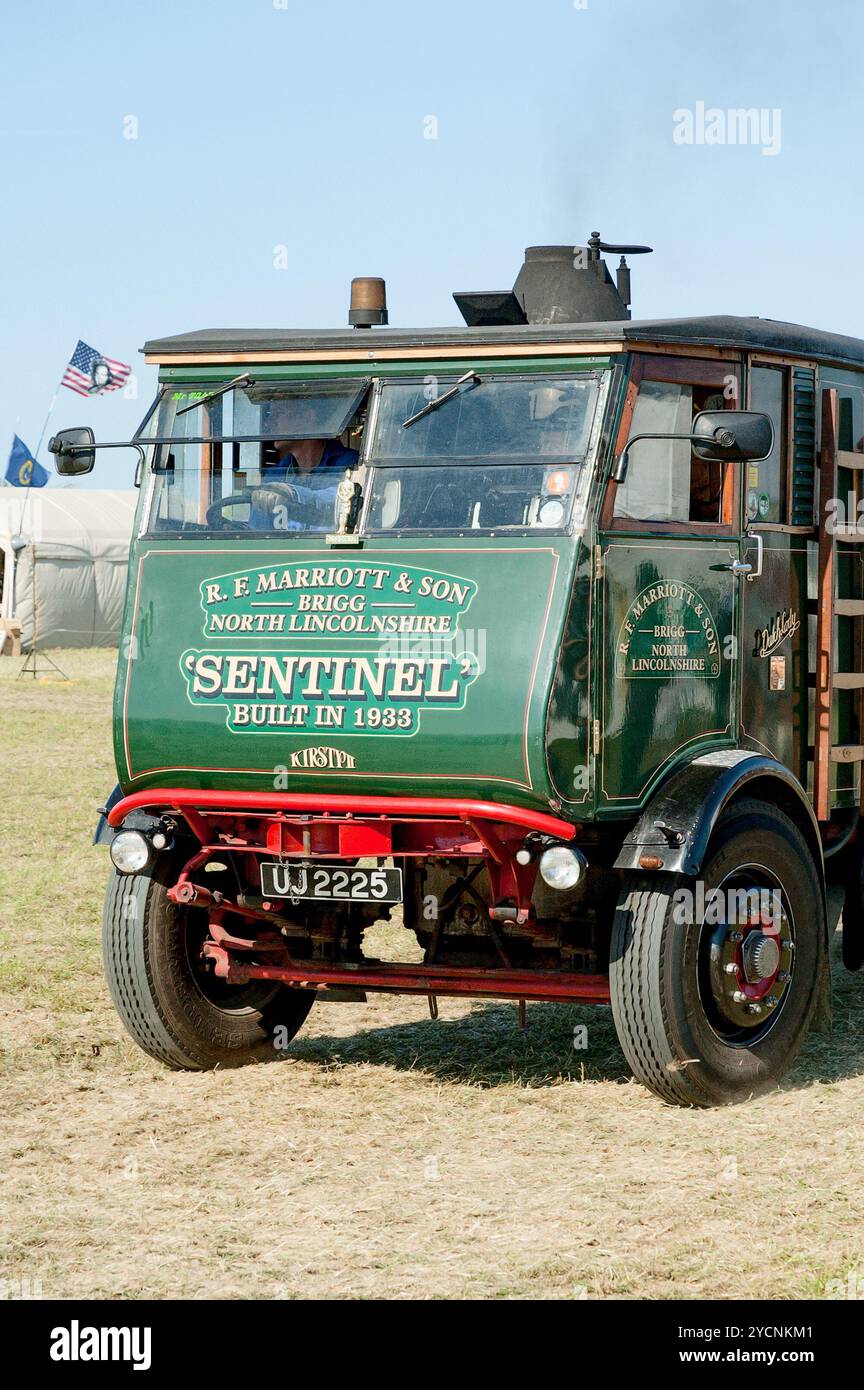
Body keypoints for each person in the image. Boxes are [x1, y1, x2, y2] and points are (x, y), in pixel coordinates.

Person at [250, 436, 359, 531]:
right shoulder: (275, 474)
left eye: (279, 413)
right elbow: (258, 532)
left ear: (308, 416)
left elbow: (346, 502)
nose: (270, 423)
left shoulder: (354, 465)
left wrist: (292, 494)